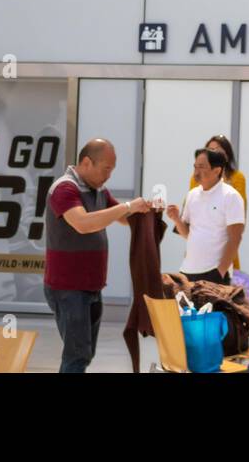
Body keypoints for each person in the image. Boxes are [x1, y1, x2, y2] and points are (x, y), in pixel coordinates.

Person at [44, 138, 148, 373]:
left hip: (91, 287)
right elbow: (83, 223)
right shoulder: (65, 188)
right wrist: (128, 207)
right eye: (106, 169)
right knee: (77, 355)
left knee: (84, 354)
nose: (109, 175)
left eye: (112, 169)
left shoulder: (98, 189)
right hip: (67, 288)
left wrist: (146, 212)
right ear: (87, 162)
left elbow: (121, 218)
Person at [168, 147, 245, 285]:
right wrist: (176, 219)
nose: (196, 172)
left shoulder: (231, 196)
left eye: (201, 167)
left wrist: (220, 272)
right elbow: (187, 234)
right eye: (195, 166)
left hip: (214, 272)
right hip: (187, 271)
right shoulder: (192, 195)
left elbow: (236, 238)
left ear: (217, 170)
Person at [186, 134, 248, 270]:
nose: (213, 154)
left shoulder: (237, 178)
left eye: (218, 151)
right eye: (209, 150)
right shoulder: (195, 177)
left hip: (223, 245)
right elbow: (191, 212)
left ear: (227, 155)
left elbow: (239, 218)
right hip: (198, 251)